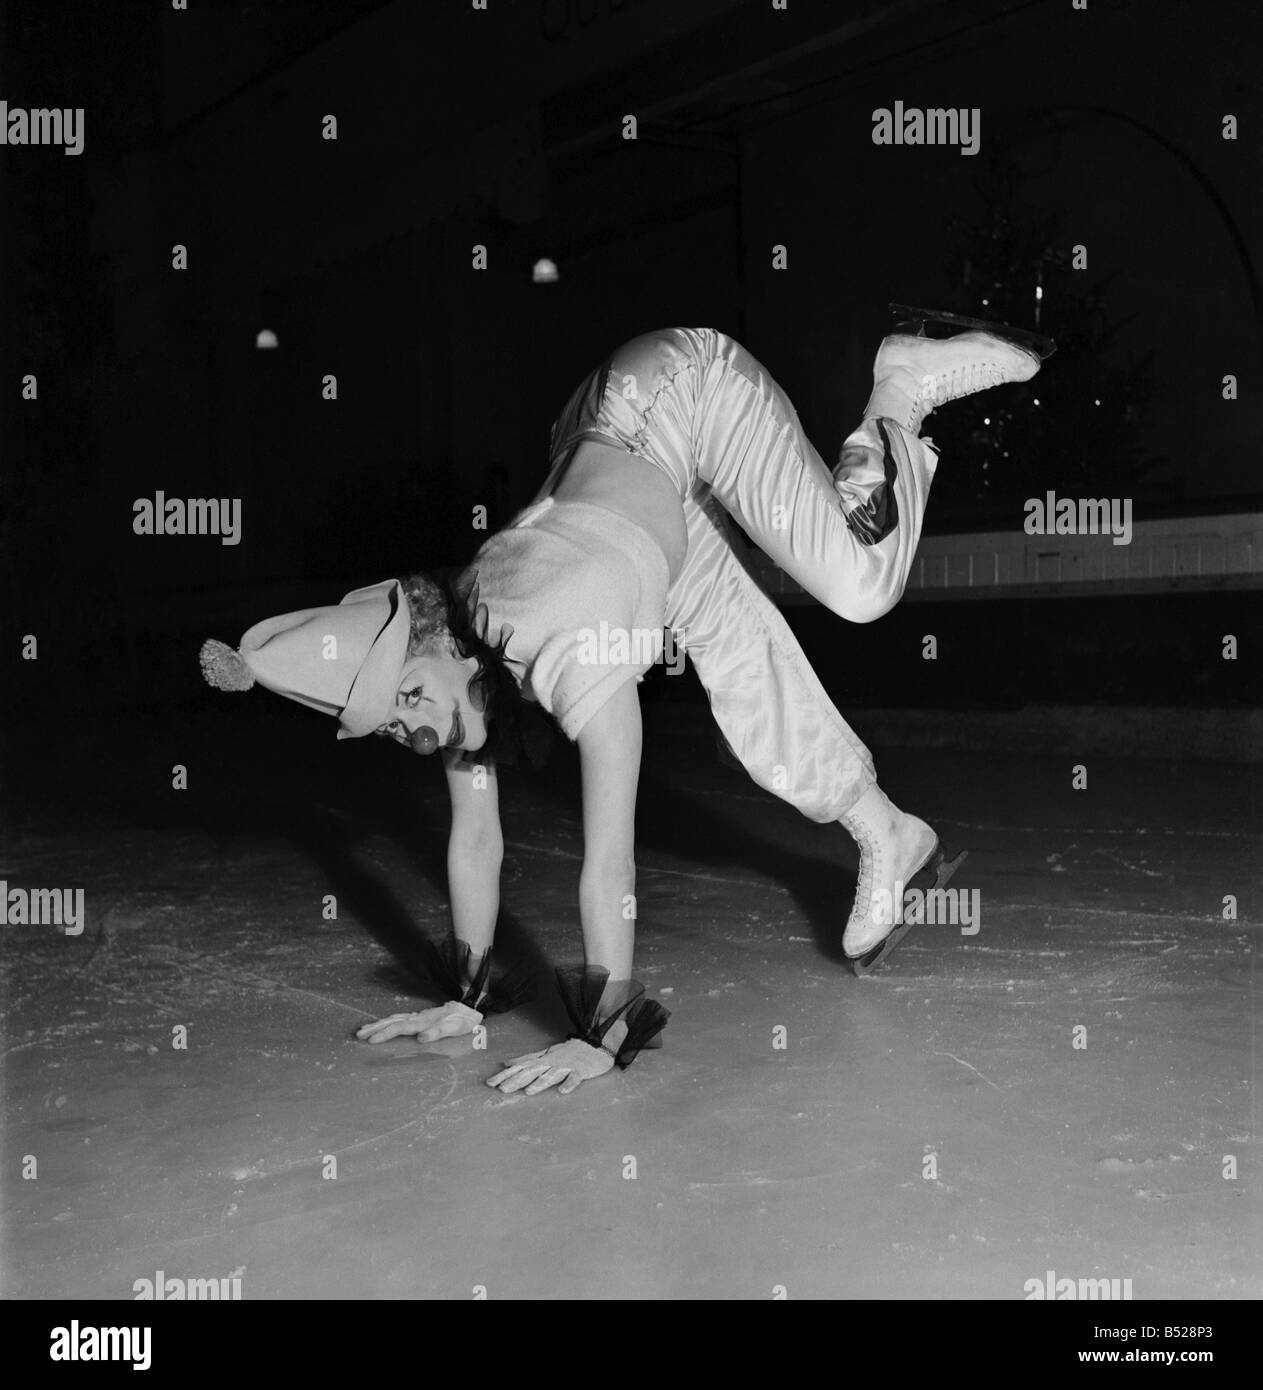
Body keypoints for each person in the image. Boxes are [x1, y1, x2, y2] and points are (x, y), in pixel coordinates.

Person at [201, 318, 1045, 1097]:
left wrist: (602, 1037)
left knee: (860, 586)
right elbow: (476, 836)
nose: (412, 728)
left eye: (408, 697)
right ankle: (887, 832)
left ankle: (898, 387)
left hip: (677, 393)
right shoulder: (467, 649)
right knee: (743, 677)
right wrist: (466, 999)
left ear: (439, 643)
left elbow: (609, 863)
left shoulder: (570, 644)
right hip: (616, 472)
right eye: (393, 724)